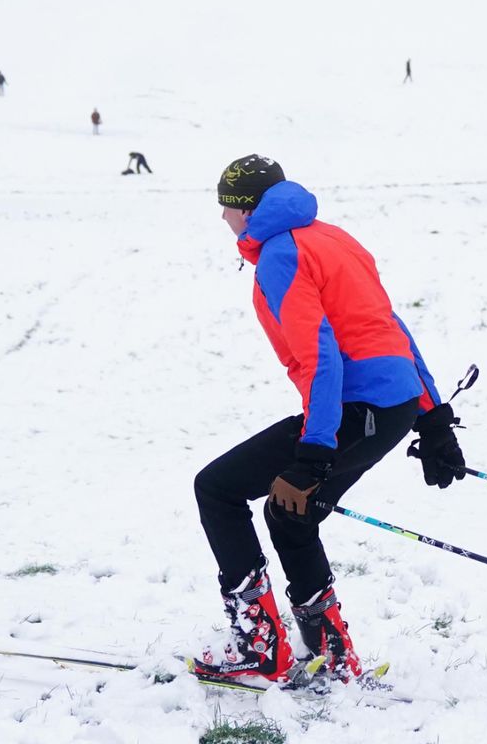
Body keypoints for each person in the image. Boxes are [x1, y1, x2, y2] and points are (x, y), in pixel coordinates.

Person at [192, 155, 466, 687]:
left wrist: (314, 451)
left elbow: (321, 356)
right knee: (289, 514)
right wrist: (431, 419)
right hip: (391, 405)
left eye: (226, 206)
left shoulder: (280, 254)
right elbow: (392, 330)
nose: (223, 218)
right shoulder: (334, 238)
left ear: (247, 208)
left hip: (352, 408)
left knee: (217, 488)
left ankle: (260, 647)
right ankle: (331, 653)